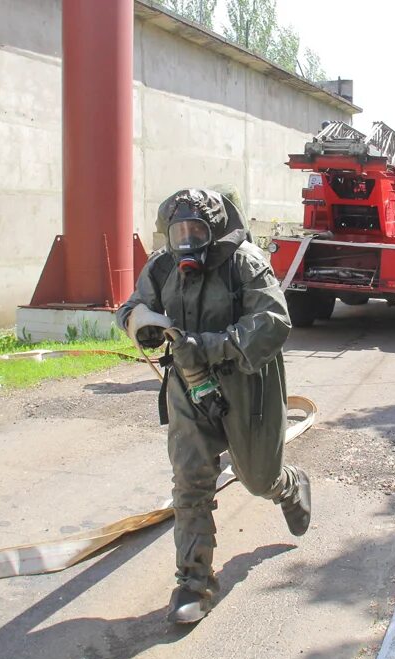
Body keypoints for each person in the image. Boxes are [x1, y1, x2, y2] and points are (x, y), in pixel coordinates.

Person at [116, 188, 311, 625]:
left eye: (196, 231)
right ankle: (194, 582)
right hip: (187, 385)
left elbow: (273, 323)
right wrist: (139, 323)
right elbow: (132, 304)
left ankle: (288, 484)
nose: (186, 240)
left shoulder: (245, 262)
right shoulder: (164, 264)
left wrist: (207, 346)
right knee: (189, 480)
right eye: (178, 231)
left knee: (255, 477)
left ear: (214, 231)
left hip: (247, 380)